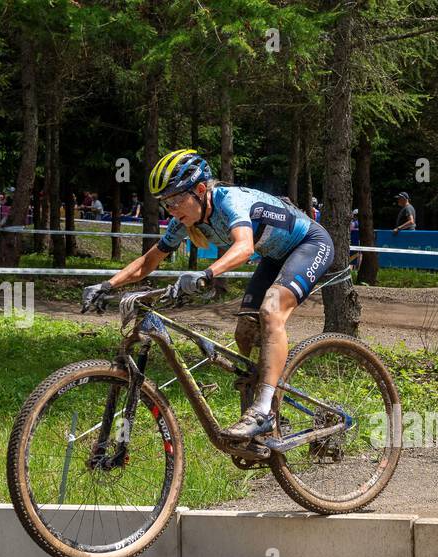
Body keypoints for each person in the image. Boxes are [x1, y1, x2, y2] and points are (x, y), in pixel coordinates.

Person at [81, 148, 334, 441]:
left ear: (201, 190)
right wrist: (107, 285)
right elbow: (148, 262)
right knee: (244, 332)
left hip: (310, 244)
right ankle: (270, 405)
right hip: (275, 256)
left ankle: (263, 411)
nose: (172, 210)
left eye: (177, 200)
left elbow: (244, 247)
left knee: (271, 311)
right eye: (166, 203)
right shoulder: (184, 221)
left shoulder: (230, 201)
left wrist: (206, 273)